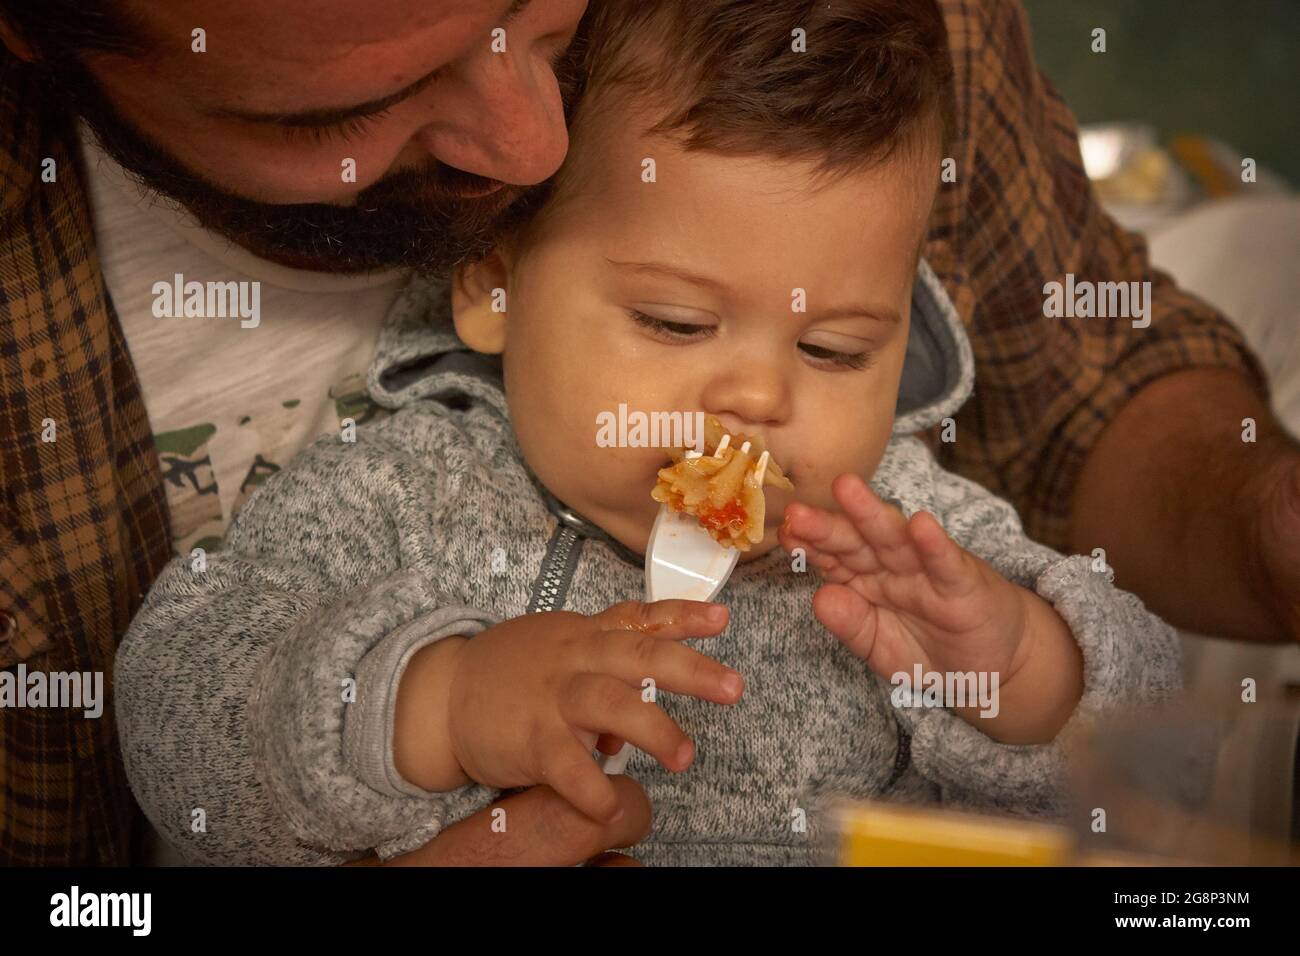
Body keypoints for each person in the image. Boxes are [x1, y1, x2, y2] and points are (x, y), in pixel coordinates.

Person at [1, 0, 1296, 865]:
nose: (758, 402)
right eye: (675, 325)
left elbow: (1148, 725)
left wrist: (1021, 663)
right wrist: (435, 702)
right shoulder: (407, 487)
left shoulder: (887, 526)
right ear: (491, 290)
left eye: (837, 349)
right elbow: (174, 709)